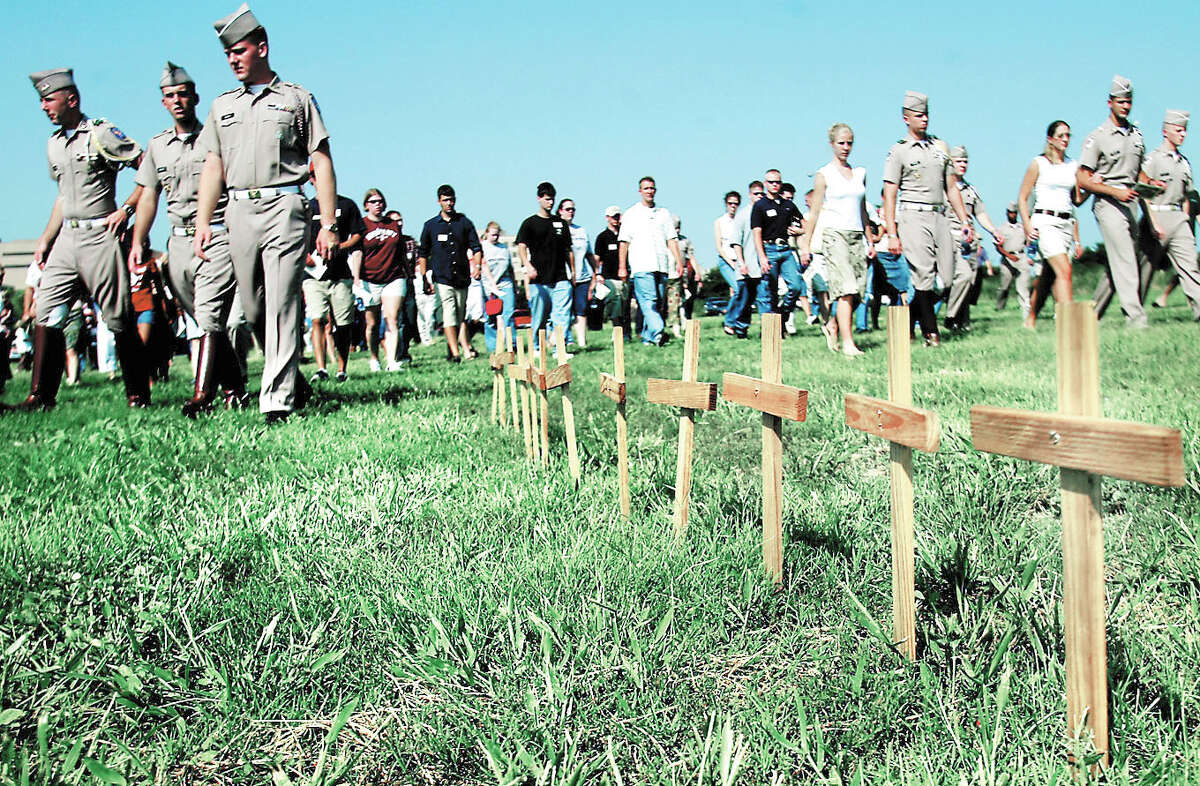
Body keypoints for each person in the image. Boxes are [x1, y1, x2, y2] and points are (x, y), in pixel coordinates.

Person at [195, 4, 336, 423]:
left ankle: (276, 400)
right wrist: (204, 220)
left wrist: (327, 224)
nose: (233, 60)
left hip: (285, 206)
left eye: (239, 51)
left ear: (262, 48)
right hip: (238, 211)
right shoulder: (222, 107)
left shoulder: (296, 99)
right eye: (227, 55)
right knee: (252, 310)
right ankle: (291, 375)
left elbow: (321, 160)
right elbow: (213, 167)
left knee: (281, 304)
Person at [14, 68, 149, 412]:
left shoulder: (101, 134)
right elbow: (63, 197)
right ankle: (40, 396)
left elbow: (147, 167)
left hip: (100, 238)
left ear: (71, 99)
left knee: (117, 316)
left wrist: (127, 209)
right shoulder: (54, 144)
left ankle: (137, 395)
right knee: (46, 311)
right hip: (67, 239)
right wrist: (46, 238)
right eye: (41, 100)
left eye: (49, 99)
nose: (44, 107)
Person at [131, 61, 247, 415]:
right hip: (177, 245)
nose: (178, 101)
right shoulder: (157, 146)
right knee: (202, 320)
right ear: (163, 103)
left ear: (195, 98)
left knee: (211, 317)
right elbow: (149, 194)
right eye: (170, 96)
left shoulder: (219, 140)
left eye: (183, 94)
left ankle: (202, 396)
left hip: (216, 236)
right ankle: (234, 389)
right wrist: (139, 240)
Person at [882, 90, 973, 347]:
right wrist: (892, 232)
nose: (924, 120)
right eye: (919, 115)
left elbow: (952, 188)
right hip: (912, 215)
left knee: (948, 277)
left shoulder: (940, 148)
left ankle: (909, 318)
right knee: (923, 273)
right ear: (906, 118)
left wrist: (965, 221)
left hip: (939, 215)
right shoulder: (898, 151)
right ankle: (931, 333)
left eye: (927, 115)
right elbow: (890, 193)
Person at [1077, 76, 1151, 327]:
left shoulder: (1136, 135)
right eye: (1121, 101)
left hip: (1131, 202)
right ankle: (1136, 319)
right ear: (1110, 103)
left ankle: (1089, 318)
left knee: (1118, 263)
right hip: (1108, 203)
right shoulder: (1097, 137)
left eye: (1129, 101)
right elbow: (1083, 179)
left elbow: (1138, 171)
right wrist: (1114, 192)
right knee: (1126, 261)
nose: (1126, 106)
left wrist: (1153, 184)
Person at [800, 123, 873, 356]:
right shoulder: (824, 175)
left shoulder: (860, 173)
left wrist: (870, 240)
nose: (846, 147)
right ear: (832, 144)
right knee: (846, 289)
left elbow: (863, 211)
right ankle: (848, 343)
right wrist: (806, 245)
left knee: (858, 291)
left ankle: (832, 323)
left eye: (849, 143)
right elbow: (815, 213)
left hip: (856, 235)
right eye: (841, 143)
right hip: (834, 235)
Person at [1017, 120, 1086, 329]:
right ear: (1050, 139)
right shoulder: (1038, 163)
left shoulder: (1073, 166)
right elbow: (1022, 197)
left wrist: (1092, 187)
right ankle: (1070, 325)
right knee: (1064, 271)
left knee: (1047, 276)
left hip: (1065, 222)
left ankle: (1030, 319)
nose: (1065, 140)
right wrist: (1027, 226)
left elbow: (1077, 200)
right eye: (1061, 136)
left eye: (1068, 136)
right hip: (1044, 223)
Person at [304, 169, 363, 382]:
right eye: (313, 177)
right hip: (313, 276)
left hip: (340, 274)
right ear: (311, 180)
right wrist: (304, 257)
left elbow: (358, 234)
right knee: (318, 319)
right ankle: (321, 368)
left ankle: (341, 368)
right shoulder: (306, 207)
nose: (317, 179)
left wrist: (341, 245)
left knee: (343, 323)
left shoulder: (347, 205)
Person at [1141, 110, 1200, 321]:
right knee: (1144, 271)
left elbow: (1189, 196)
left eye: (1185, 130)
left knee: (1190, 267)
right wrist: (1153, 222)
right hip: (1156, 217)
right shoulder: (1153, 159)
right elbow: (1143, 192)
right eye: (1178, 130)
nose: (1183, 134)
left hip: (1178, 219)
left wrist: (1186, 220)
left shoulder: (1184, 163)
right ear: (1165, 131)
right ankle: (1134, 311)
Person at [417, 184, 483, 362]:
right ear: (439, 201)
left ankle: (461, 348)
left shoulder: (464, 222)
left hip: (461, 277)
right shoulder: (430, 226)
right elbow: (423, 253)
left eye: (451, 199)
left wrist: (477, 266)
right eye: (445, 200)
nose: (449, 203)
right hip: (442, 278)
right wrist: (424, 277)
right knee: (448, 313)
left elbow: (476, 247)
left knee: (461, 316)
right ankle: (455, 353)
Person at [943, 145, 1004, 331]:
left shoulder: (971, 189)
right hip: (949, 237)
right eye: (959, 161)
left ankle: (962, 323)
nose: (963, 165)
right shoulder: (943, 188)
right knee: (959, 278)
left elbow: (981, 214)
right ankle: (950, 315)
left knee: (970, 282)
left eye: (965, 161)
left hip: (969, 241)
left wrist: (993, 230)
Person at [618, 177, 683, 346]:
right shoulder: (631, 214)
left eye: (652, 188)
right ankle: (659, 331)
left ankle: (649, 337)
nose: (649, 191)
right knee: (648, 301)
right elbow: (624, 242)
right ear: (640, 191)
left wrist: (678, 261)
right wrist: (622, 267)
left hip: (661, 265)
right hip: (641, 265)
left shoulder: (663, 213)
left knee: (659, 303)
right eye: (646, 188)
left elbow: (671, 239)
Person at [358, 189, 412, 371]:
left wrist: (408, 273)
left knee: (392, 319)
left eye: (380, 201)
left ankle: (392, 361)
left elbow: (401, 252)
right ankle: (374, 358)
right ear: (366, 205)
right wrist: (356, 277)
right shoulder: (361, 225)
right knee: (372, 324)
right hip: (370, 278)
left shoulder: (393, 225)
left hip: (393, 277)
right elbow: (357, 253)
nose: (378, 204)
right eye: (373, 201)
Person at [516, 181, 574, 350]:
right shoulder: (529, 223)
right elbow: (521, 246)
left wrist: (573, 272)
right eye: (547, 199)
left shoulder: (560, 223)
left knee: (561, 315)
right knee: (539, 317)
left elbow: (568, 249)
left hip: (561, 277)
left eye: (552, 199)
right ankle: (536, 347)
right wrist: (528, 266)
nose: (550, 203)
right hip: (539, 279)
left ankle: (559, 349)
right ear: (539, 199)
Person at [752, 169, 804, 329]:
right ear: (766, 184)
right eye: (771, 182)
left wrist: (800, 231)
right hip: (769, 249)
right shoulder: (760, 206)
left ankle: (783, 314)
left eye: (778, 182)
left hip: (786, 249)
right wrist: (762, 257)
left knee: (796, 286)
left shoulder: (788, 205)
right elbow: (756, 233)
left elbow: (805, 223)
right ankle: (772, 329)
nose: (775, 185)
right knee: (770, 290)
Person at [726, 180, 771, 338]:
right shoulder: (743, 215)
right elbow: (736, 242)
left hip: (762, 266)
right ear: (750, 195)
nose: (759, 196)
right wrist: (741, 262)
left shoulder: (767, 212)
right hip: (746, 265)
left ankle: (768, 332)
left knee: (764, 299)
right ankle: (740, 328)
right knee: (744, 301)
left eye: (761, 193)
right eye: (756, 194)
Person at [557, 198, 593, 348]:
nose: (571, 212)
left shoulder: (581, 231)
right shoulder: (556, 229)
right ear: (560, 211)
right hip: (563, 277)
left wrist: (595, 274)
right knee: (563, 311)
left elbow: (589, 254)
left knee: (581, 309)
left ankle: (582, 343)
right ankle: (561, 341)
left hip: (582, 276)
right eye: (567, 209)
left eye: (573, 209)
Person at [478, 221, 515, 352]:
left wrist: (515, 284)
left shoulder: (504, 248)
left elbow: (510, 269)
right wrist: (491, 285)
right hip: (488, 286)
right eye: (493, 235)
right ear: (487, 234)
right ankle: (493, 347)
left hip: (505, 284)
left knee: (508, 314)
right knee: (490, 317)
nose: (495, 237)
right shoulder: (482, 247)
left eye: (497, 235)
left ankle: (512, 344)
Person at [993, 202, 1033, 317]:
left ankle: (1025, 308)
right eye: (1011, 213)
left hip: (1021, 257)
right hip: (1007, 258)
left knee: (1023, 285)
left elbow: (1028, 243)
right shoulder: (1001, 229)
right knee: (1004, 286)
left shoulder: (1022, 228)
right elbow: (998, 246)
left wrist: (1030, 257)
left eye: (1015, 213)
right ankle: (1000, 307)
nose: (1013, 215)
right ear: (1007, 213)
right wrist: (1008, 256)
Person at [593, 206, 629, 332]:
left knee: (626, 304)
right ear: (607, 218)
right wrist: (597, 274)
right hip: (609, 277)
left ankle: (627, 333)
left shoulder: (624, 235)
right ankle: (617, 329)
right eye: (613, 216)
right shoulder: (602, 237)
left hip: (625, 276)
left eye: (618, 216)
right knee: (615, 301)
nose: (616, 219)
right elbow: (597, 258)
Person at [668, 216, 699, 337]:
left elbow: (691, 257)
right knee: (673, 303)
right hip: (669, 275)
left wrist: (697, 272)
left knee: (685, 302)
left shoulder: (685, 241)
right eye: (674, 227)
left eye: (678, 227)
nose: (677, 230)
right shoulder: (665, 242)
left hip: (683, 275)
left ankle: (686, 324)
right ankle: (674, 327)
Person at [713, 191, 741, 305]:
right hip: (726, 260)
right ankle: (730, 318)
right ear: (726, 204)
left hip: (739, 260)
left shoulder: (740, 220)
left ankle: (735, 319)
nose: (733, 206)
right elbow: (719, 247)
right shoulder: (719, 222)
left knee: (740, 291)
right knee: (738, 289)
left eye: (736, 203)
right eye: (730, 203)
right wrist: (731, 263)